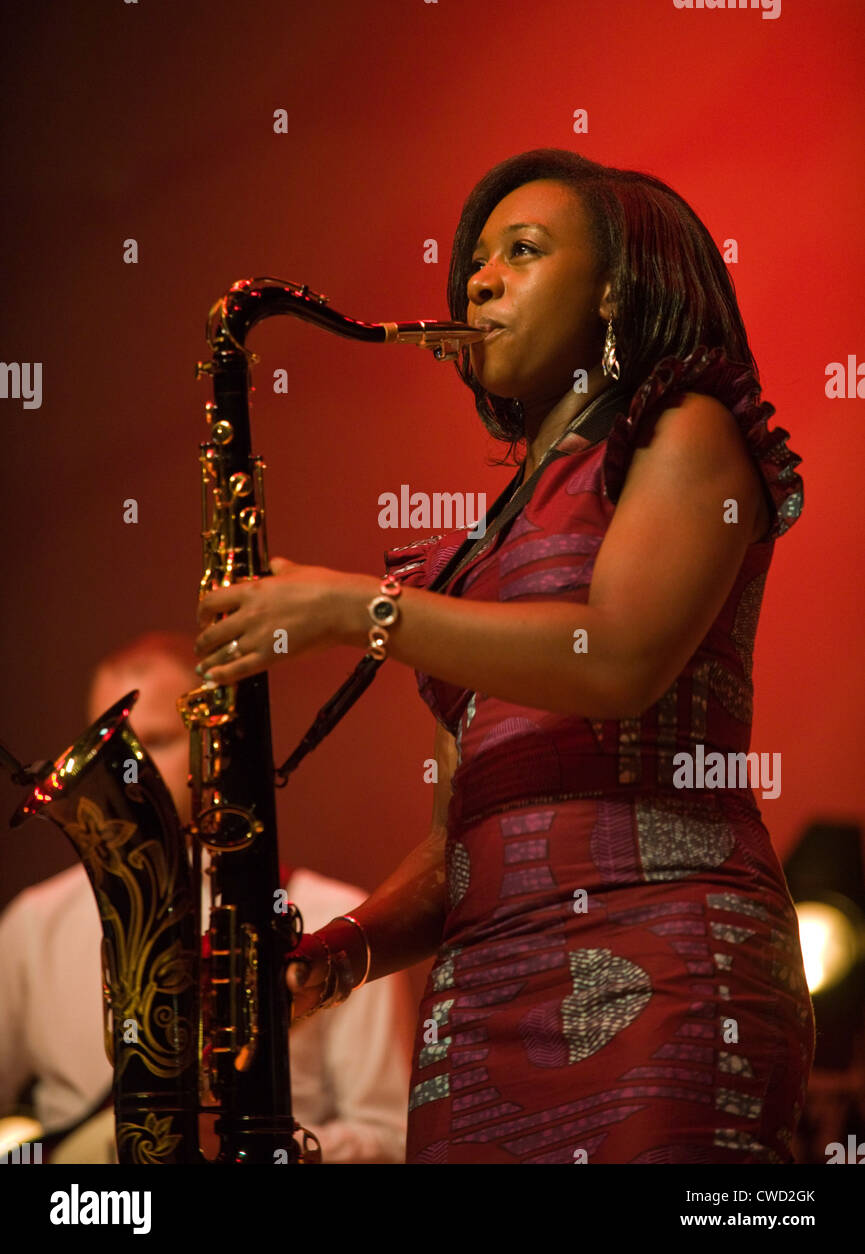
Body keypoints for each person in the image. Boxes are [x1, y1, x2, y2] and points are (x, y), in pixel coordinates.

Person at [193, 148, 815, 1165]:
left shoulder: (689, 429)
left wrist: (357, 609)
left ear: (617, 286)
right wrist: (335, 957)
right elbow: (461, 838)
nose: (478, 279)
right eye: (475, 260)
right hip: (477, 1006)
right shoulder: (474, 551)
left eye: (521, 252)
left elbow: (615, 657)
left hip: (660, 965)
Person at [0, 634, 411, 1164]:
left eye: (160, 741)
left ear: (210, 748)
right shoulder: (34, 921)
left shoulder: (343, 918)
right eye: (117, 749)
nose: (133, 772)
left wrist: (264, 1151)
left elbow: (395, 1139)